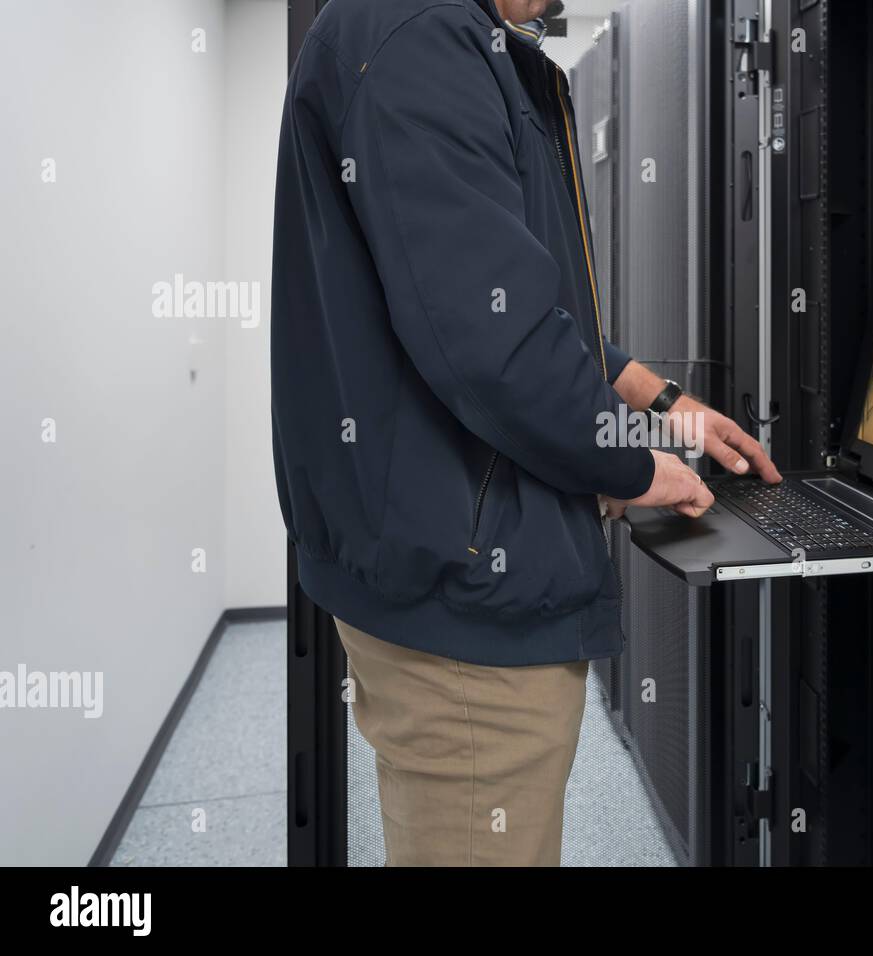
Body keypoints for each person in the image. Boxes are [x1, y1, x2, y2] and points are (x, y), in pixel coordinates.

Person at [270, 0, 780, 866]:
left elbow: (502, 302)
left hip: (442, 570)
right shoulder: (419, 36)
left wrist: (659, 402)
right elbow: (492, 346)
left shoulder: (423, 35)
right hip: (468, 605)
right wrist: (633, 464)